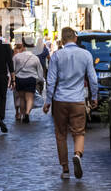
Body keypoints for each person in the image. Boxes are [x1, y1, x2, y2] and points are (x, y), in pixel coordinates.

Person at [42, 26, 99, 180]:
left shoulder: (56, 56)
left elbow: (51, 80)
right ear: (75, 38)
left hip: (60, 100)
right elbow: (93, 79)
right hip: (78, 100)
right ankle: (77, 154)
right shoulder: (86, 54)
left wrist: (48, 101)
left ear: (62, 40)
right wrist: (94, 97)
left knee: (60, 134)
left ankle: (65, 169)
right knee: (79, 132)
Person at [11, 41, 45, 123]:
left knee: (22, 98)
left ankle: (22, 115)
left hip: (19, 79)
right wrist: (40, 80)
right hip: (31, 79)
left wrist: (12, 80)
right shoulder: (35, 58)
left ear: (23, 46)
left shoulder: (17, 57)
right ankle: (27, 113)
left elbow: (13, 69)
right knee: (30, 98)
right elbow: (40, 71)